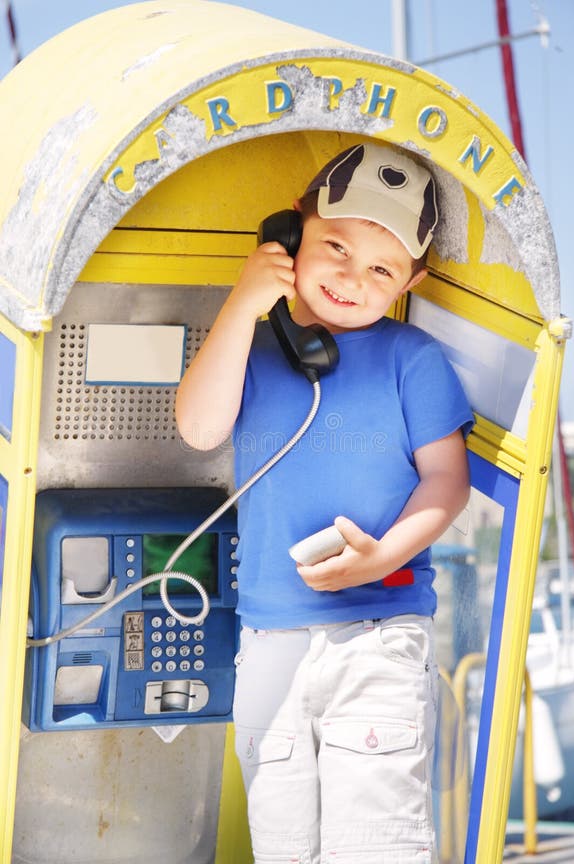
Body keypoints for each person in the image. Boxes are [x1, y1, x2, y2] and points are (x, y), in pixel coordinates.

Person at [176, 141, 474, 864]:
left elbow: (447, 481)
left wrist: (382, 559)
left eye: (382, 269)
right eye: (334, 246)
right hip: (271, 640)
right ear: (289, 234)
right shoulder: (251, 346)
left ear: (413, 279)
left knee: (376, 841)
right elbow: (198, 428)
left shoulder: (413, 359)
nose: (351, 278)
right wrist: (248, 301)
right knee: (283, 845)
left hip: (378, 634)